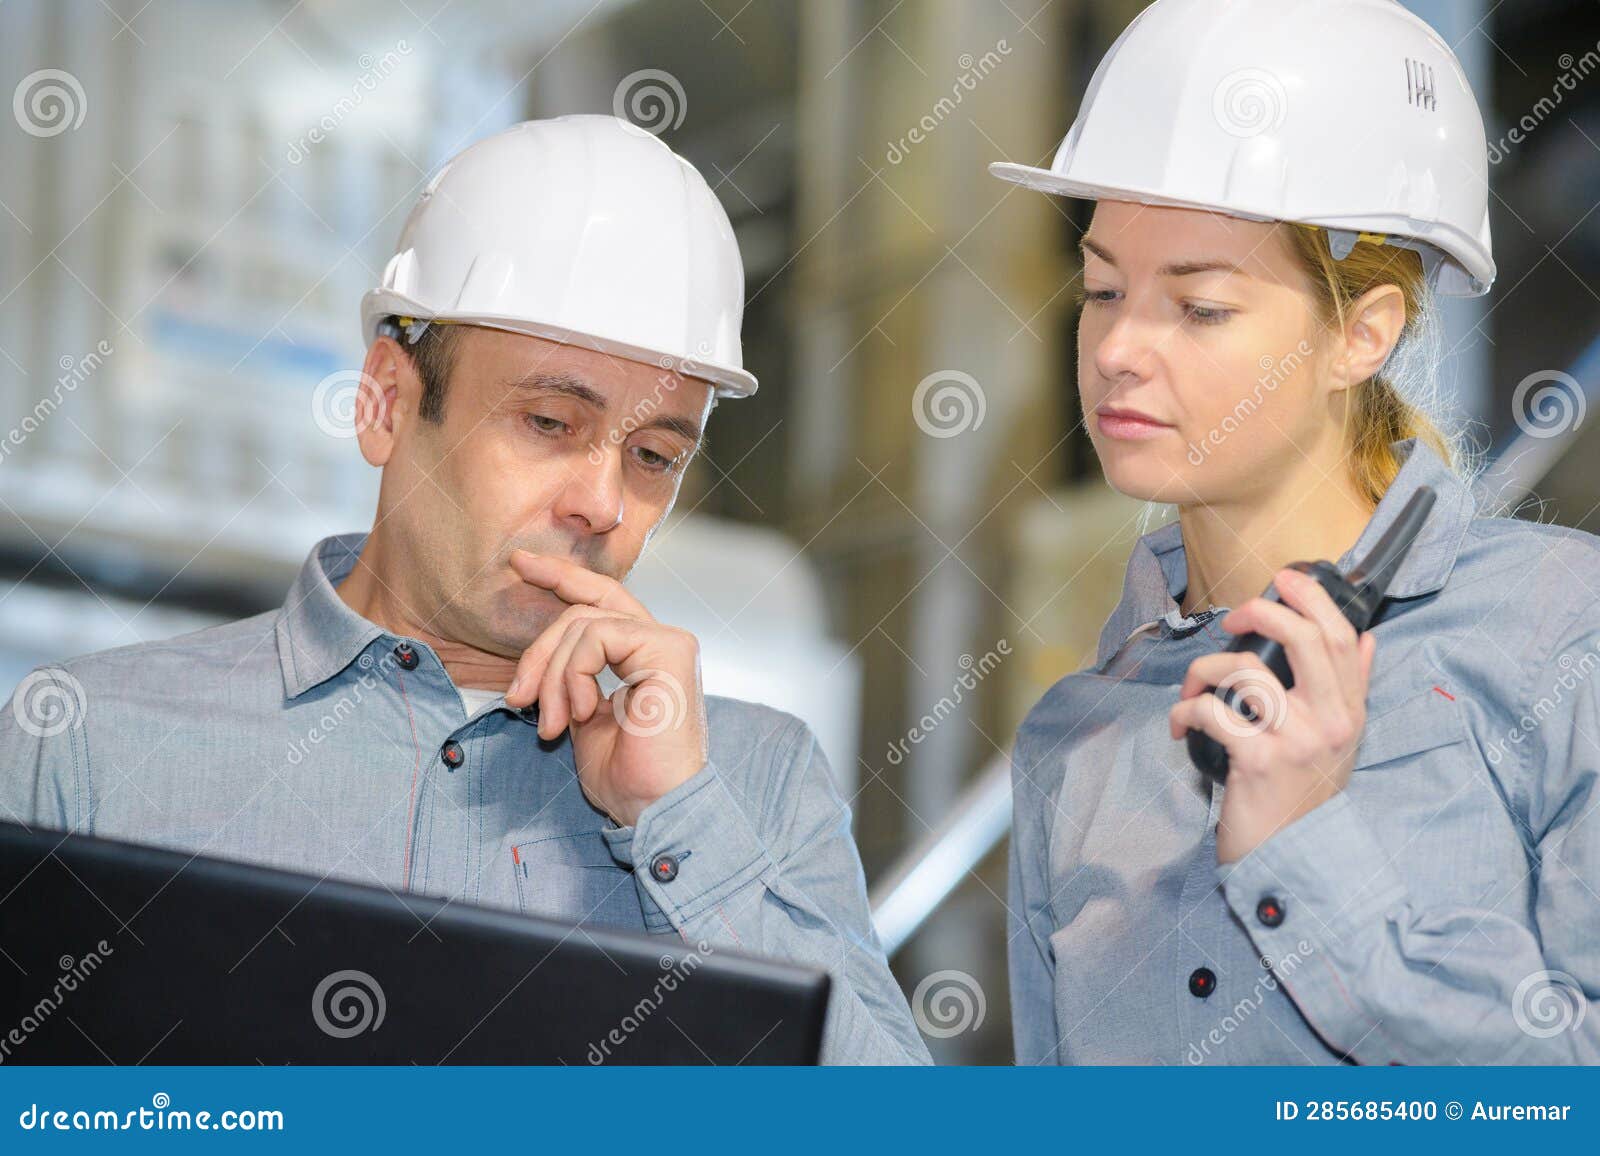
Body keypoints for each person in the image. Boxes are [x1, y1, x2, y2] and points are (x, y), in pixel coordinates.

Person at [0, 115, 929, 1065]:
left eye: (654, 456)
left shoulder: (755, 786)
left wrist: (680, 822)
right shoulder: (85, 749)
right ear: (388, 401)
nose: (604, 503)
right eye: (548, 421)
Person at [993, 0, 1599, 1064]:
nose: (1117, 348)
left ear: (1360, 334)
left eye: (1200, 307)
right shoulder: (1070, 739)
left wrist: (1304, 852)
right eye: (1100, 288)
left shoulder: (1561, 633)